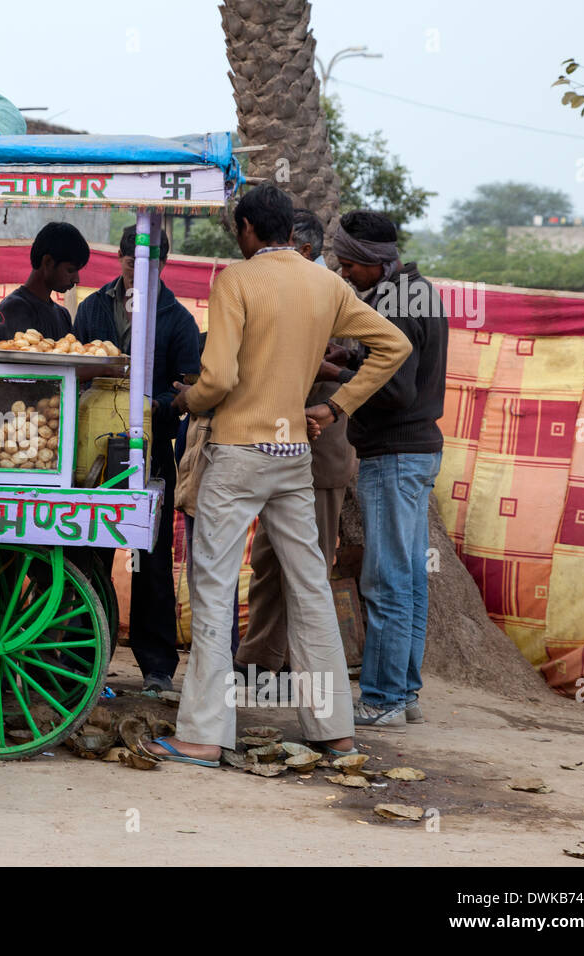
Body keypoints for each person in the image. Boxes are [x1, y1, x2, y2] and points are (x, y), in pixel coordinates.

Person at [144, 183, 411, 767]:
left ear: (246, 230)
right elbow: (393, 345)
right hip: (293, 454)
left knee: (214, 590)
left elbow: (217, 380)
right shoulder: (327, 283)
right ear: (290, 230)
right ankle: (335, 729)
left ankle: (202, 736)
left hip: (238, 453)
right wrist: (336, 406)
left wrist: (187, 400)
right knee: (310, 590)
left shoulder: (235, 281)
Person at [325, 210, 449, 731]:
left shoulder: (394, 305)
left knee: (387, 579)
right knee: (409, 578)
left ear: (377, 264)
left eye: (351, 265)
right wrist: (352, 358)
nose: (345, 273)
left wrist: (336, 372)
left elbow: (394, 391)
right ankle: (405, 692)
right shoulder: (419, 291)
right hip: (417, 452)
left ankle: (382, 698)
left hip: (394, 455)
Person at [74, 225, 200, 693]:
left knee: (150, 557)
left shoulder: (178, 319)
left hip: (152, 453)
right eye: (129, 261)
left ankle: (157, 668)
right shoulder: (91, 308)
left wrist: (153, 405)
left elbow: (189, 388)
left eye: (146, 264)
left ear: (163, 265)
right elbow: (76, 368)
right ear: (120, 259)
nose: (135, 271)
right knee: (88, 551)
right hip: (92, 450)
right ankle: (83, 660)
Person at [236, 209, 358, 680]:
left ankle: (295, 666)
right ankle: (261, 658)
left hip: (320, 452)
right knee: (270, 560)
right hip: (283, 447)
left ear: (302, 250)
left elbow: (349, 366)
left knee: (307, 568)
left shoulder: (330, 293)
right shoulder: (305, 287)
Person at [0, 222, 89, 342]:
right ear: (47, 262)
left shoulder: (63, 315)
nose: (76, 279)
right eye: (70, 270)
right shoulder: (13, 309)